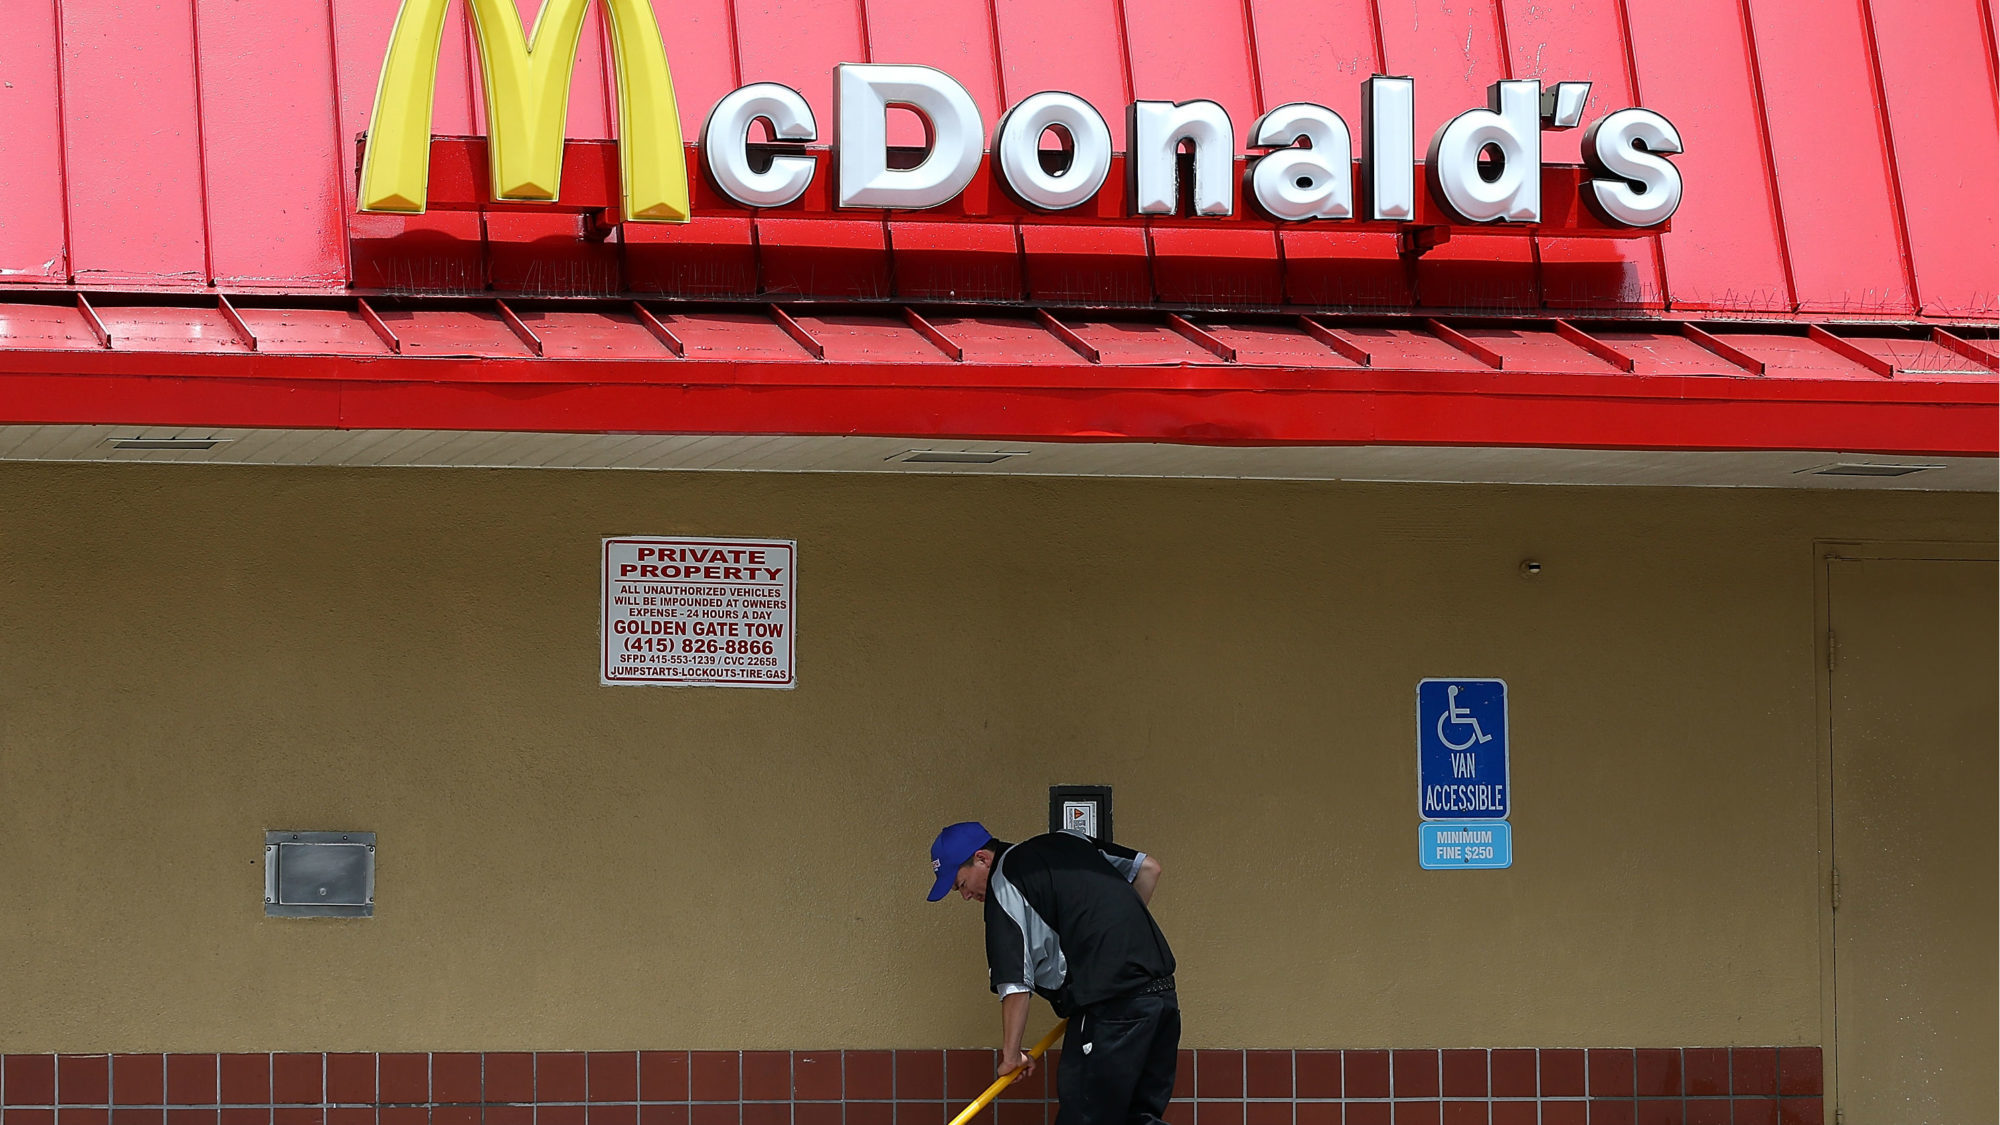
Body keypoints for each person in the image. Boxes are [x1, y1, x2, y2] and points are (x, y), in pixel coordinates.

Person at [926, 820, 1179, 1125]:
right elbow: (1148, 869)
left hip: (1111, 1007)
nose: (965, 896)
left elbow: (1015, 981)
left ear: (982, 859)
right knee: (1139, 1118)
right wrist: (1114, 941)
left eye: (961, 884)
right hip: (1162, 999)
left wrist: (1010, 1056)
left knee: (1085, 1118)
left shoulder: (1005, 882)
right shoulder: (1069, 841)